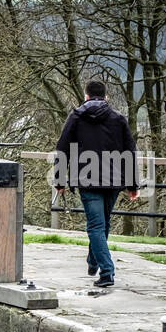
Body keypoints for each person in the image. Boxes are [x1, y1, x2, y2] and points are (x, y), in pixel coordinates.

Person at [53, 79, 140, 288]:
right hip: (113, 180)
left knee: (96, 225)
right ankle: (97, 262)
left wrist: (59, 180)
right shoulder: (118, 119)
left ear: (86, 96)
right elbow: (130, 152)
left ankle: (104, 269)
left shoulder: (76, 117)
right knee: (102, 224)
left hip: (87, 179)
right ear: (106, 97)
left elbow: (62, 149)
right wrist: (132, 185)